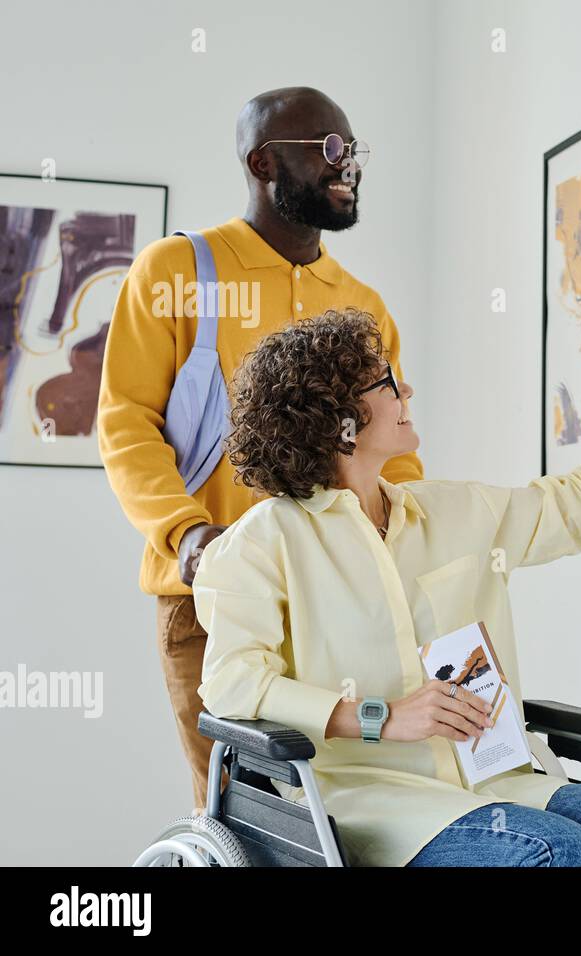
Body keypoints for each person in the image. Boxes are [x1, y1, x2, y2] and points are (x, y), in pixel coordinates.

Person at [191, 308, 581, 866]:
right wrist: (380, 717)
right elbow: (234, 682)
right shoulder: (263, 544)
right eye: (388, 384)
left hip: (494, 777)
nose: (408, 393)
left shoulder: (449, 513)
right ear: (339, 422)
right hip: (368, 800)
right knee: (555, 851)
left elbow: (573, 503)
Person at [97, 87, 423, 812]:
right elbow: (124, 424)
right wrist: (186, 533)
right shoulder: (175, 272)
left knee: (354, 817)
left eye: (354, 149)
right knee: (247, 821)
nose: (350, 165)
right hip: (210, 601)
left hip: (342, 604)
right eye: (330, 149)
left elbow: (395, 461)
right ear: (263, 161)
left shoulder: (362, 304)